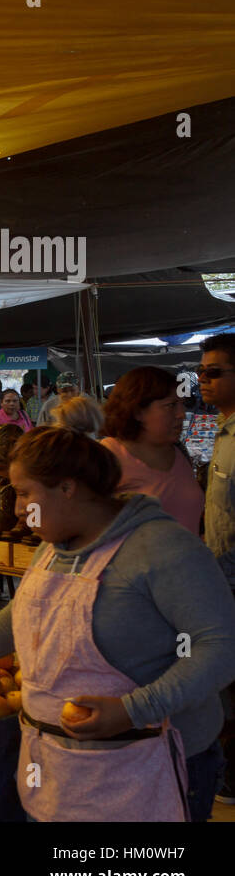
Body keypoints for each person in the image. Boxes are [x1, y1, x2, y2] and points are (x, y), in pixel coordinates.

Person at [0, 427, 235, 822]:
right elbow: (22, 616)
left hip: (150, 767)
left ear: (67, 488)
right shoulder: (54, 547)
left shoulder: (162, 548)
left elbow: (220, 648)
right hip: (58, 770)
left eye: (24, 493)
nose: (16, 508)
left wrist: (134, 710)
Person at [198, 333, 235, 804]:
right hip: (220, 578)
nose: (203, 380)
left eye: (214, 373)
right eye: (202, 371)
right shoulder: (222, 430)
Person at [100, 366, 202, 535]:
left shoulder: (179, 453)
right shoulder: (108, 457)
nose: (181, 414)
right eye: (171, 405)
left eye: (181, 404)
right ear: (138, 411)